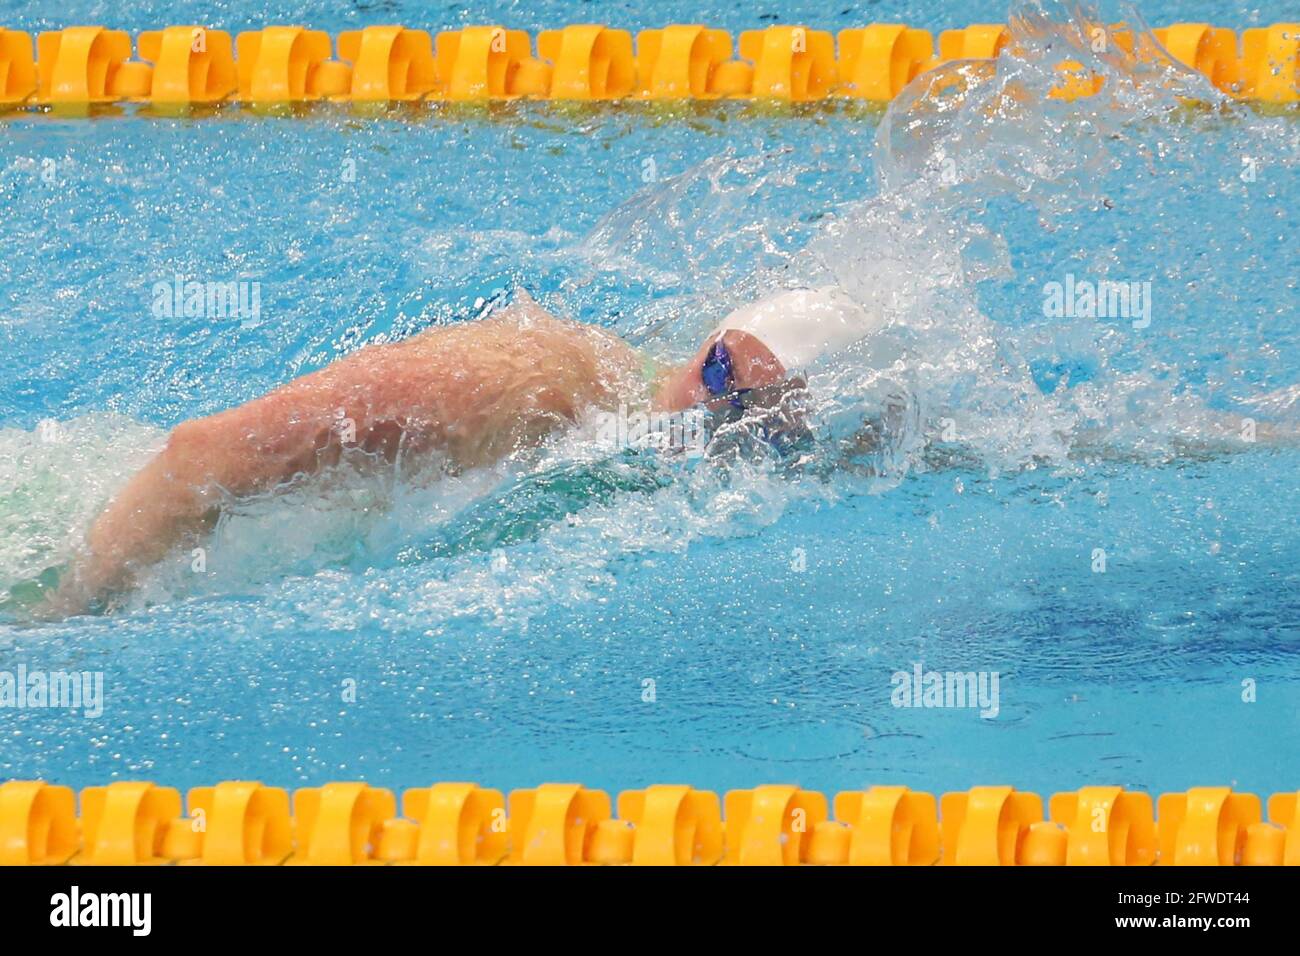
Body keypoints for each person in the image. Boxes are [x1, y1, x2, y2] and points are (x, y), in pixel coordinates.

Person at [48, 286, 885, 613]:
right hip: (75, 555)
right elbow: (204, 457)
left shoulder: (644, 420)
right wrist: (69, 616)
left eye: (778, 440)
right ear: (718, 363)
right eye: (752, 422)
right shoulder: (524, 390)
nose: (753, 453)